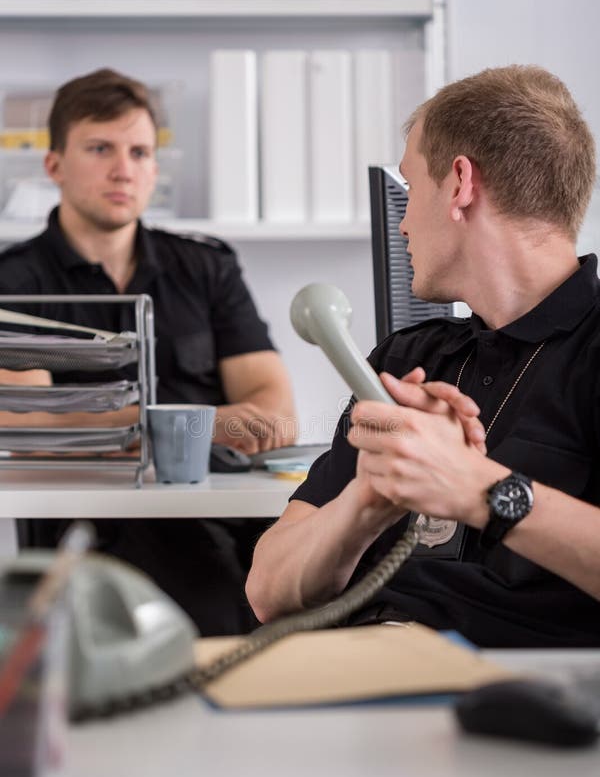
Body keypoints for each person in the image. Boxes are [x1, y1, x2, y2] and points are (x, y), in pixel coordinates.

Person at [246, 64, 600, 649]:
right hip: (368, 668)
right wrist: (372, 497)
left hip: (521, 695)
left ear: (459, 183)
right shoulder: (408, 360)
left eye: (411, 190)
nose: (404, 222)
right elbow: (268, 592)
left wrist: (480, 489)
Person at [0, 67, 297, 635]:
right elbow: (32, 426)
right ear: (54, 165)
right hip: (90, 536)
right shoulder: (15, 284)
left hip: (227, 516)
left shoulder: (208, 268)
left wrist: (139, 428)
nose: (123, 169)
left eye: (139, 151)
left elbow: (275, 413)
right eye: (100, 148)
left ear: (155, 168)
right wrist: (197, 426)